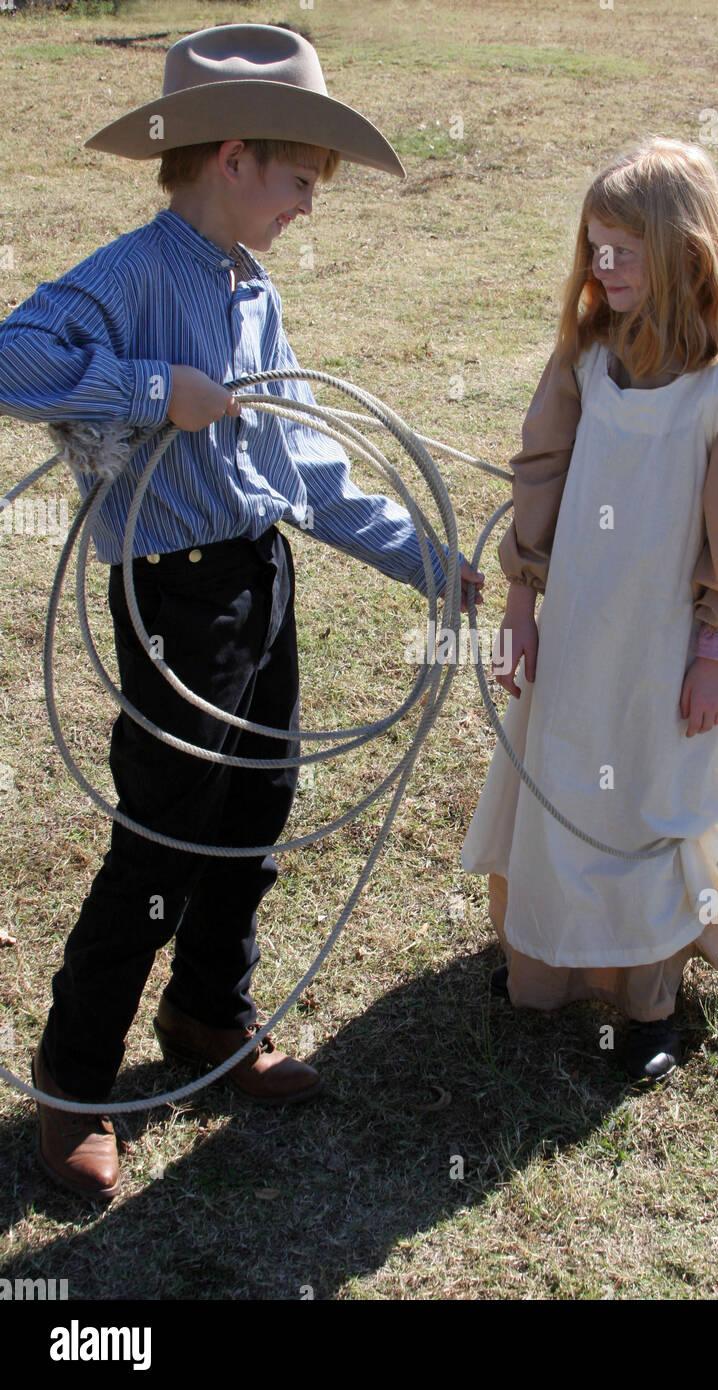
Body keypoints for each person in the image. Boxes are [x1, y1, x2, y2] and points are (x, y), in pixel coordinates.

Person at [0, 22, 484, 1200]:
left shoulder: (250, 288)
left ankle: (209, 1014)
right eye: (300, 179)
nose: (310, 205)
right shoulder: (129, 275)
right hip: (173, 590)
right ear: (231, 157)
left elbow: (300, 468)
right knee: (166, 832)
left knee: (258, 803)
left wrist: (425, 558)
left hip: (256, 571)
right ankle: (74, 1078)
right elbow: (13, 360)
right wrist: (160, 389)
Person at [461, 137, 718, 1083]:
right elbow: (544, 471)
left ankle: (647, 1000)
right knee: (564, 777)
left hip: (673, 641)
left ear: (685, 250)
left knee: (652, 793)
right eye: (592, 250)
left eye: (623, 251)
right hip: (580, 624)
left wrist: (716, 648)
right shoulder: (591, 355)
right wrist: (523, 598)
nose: (602, 271)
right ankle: (551, 968)